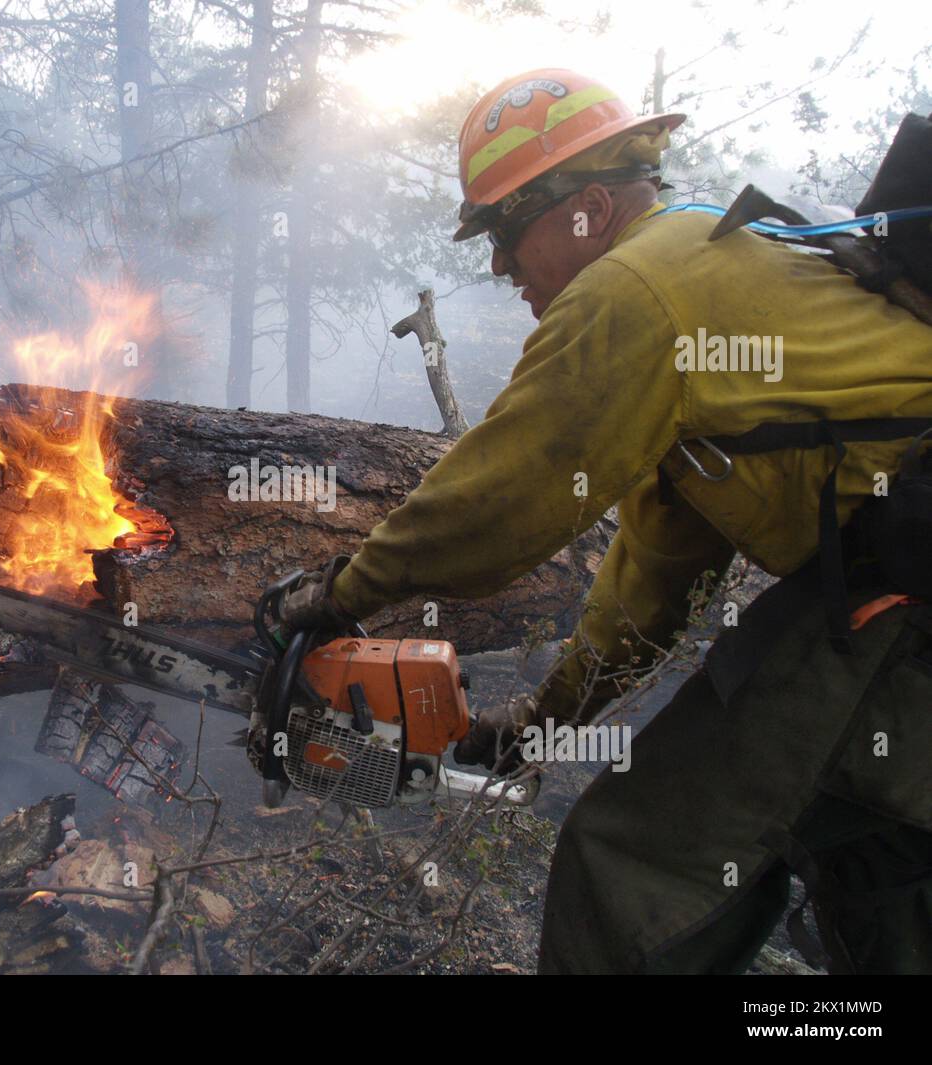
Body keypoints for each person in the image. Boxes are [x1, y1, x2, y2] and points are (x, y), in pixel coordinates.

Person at [280, 69, 932, 974]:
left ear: (587, 205)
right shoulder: (703, 275)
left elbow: (505, 497)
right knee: (875, 862)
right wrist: (540, 726)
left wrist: (344, 591)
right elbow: (657, 580)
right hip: (896, 585)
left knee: (627, 858)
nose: (501, 267)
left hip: (898, 603)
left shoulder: (640, 289)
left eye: (505, 234)